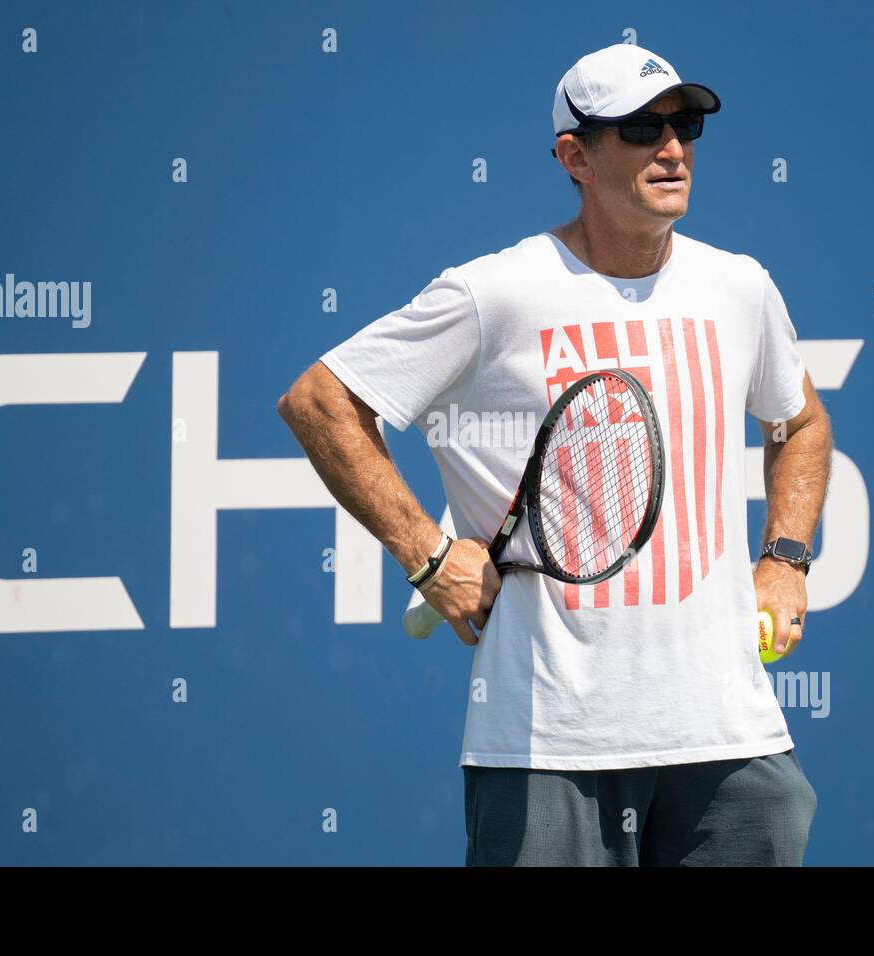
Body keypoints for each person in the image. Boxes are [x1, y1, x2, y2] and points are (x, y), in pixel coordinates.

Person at [277, 43, 832, 866]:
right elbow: (321, 400)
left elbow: (800, 423)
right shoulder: (494, 293)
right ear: (576, 156)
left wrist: (785, 558)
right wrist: (427, 556)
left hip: (731, 737)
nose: (672, 147)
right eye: (641, 129)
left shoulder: (740, 286)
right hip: (547, 749)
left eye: (684, 125)